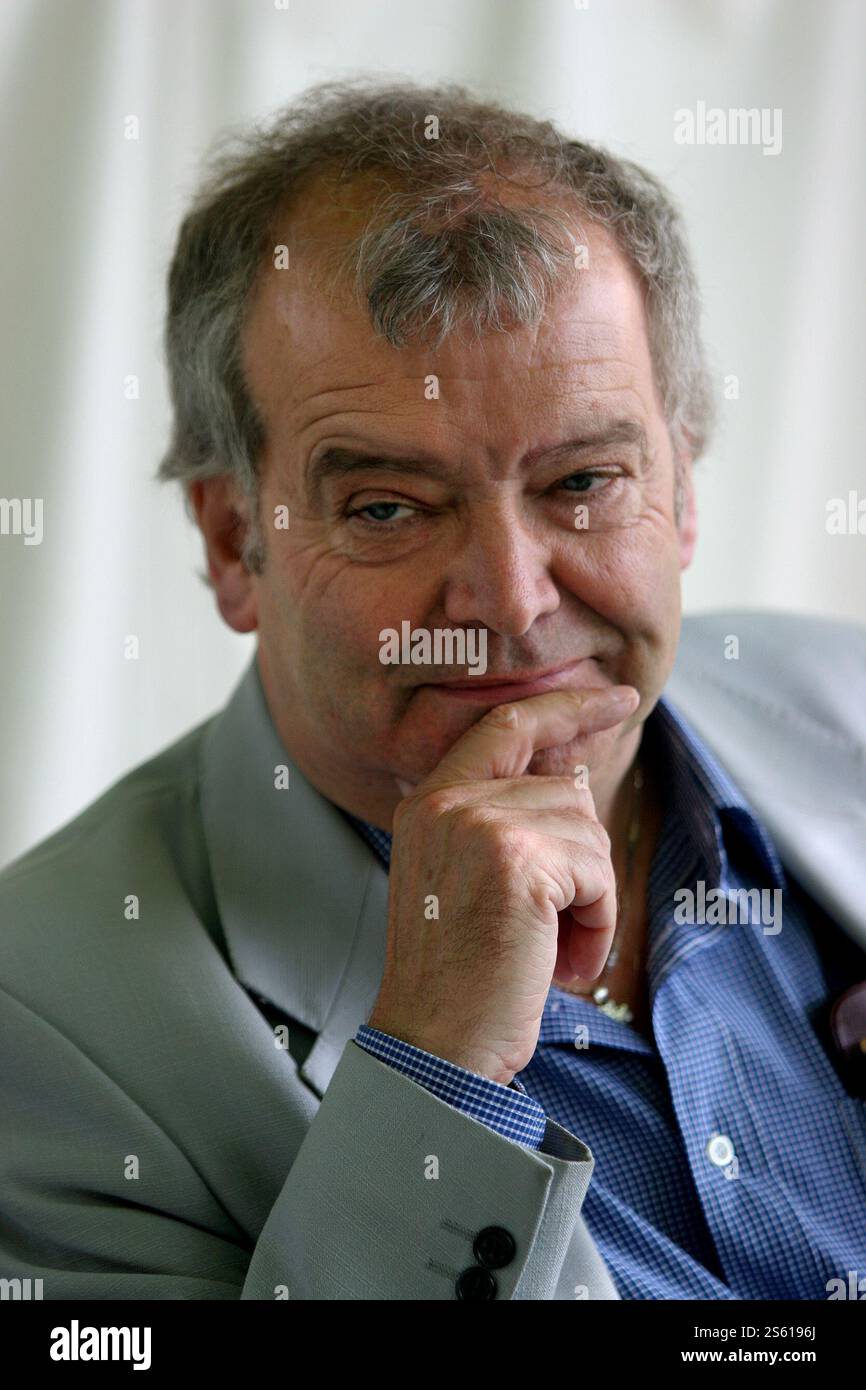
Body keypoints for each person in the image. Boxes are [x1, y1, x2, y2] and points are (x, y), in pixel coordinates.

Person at [1, 79, 864, 1302]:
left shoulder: (848, 695)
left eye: (580, 482)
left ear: (682, 489)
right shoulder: (36, 1028)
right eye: (389, 507)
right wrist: (435, 1063)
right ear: (232, 539)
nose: (510, 601)